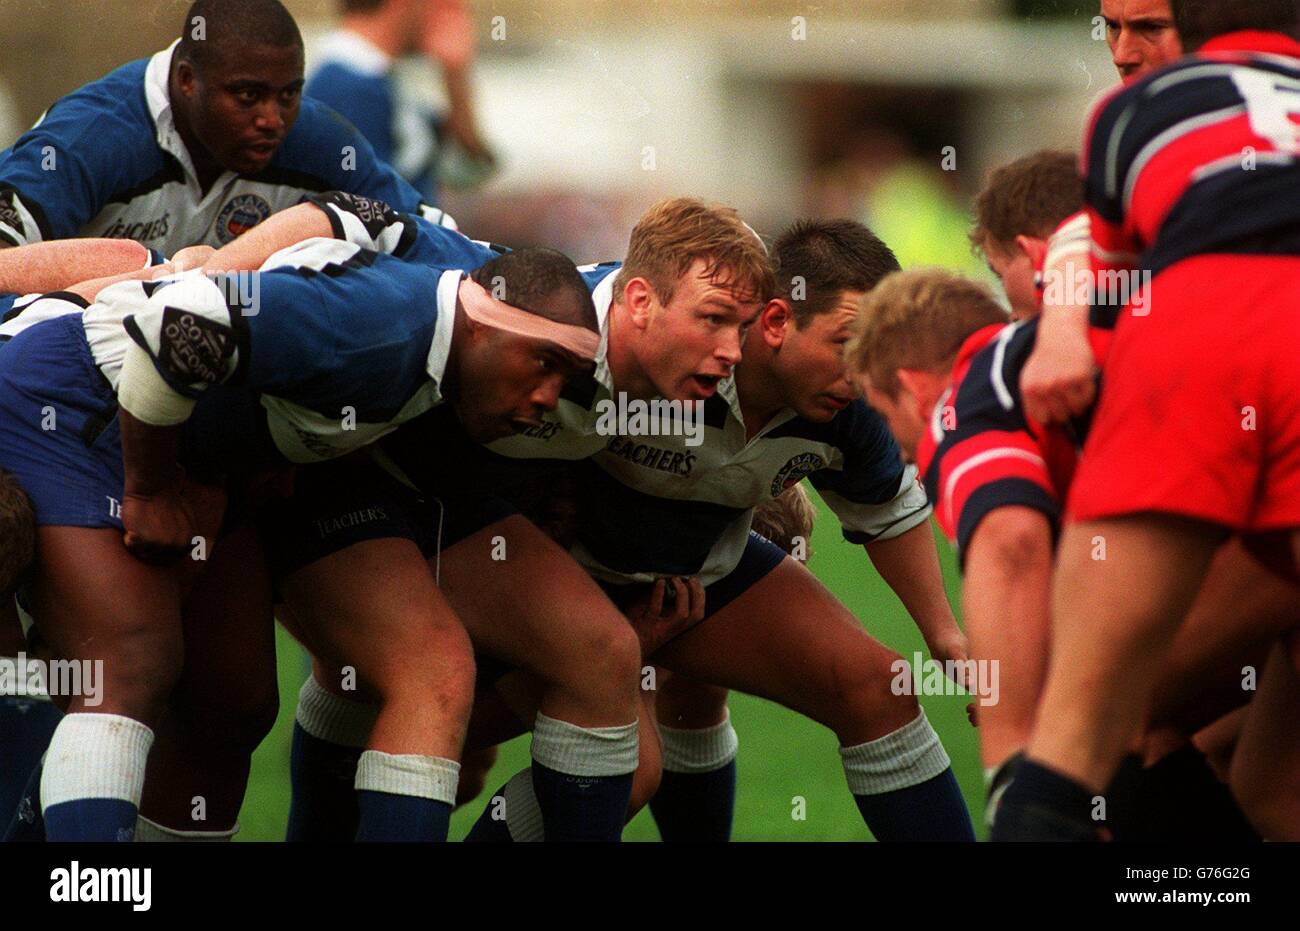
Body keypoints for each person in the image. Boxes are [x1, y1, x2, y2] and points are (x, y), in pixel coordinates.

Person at [0, 191, 597, 841]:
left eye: (566, 379)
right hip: (75, 391)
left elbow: (354, 218)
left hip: (187, 445)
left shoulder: (446, 325)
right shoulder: (381, 325)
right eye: (544, 363)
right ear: (485, 322)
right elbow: (176, 334)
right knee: (130, 660)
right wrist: (147, 490)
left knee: (234, 700)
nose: (548, 397)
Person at [466, 217, 975, 843]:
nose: (863, 373)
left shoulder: (848, 406)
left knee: (877, 687)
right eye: (849, 342)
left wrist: (947, 638)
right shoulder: (652, 344)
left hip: (692, 580)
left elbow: (887, 514)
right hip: (536, 574)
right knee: (480, 748)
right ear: (778, 322)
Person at [993, 0, 1300, 841]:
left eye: (1148, 28)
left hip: (1199, 331)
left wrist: (1060, 334)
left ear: (1191, 31)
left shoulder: (1130, 117)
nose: (1126, 53)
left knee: (1088, 730)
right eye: (1113, 29)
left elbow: (1093, 251)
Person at [0, 0, 452, 255]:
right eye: (248, 96)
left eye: (289, 94)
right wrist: (118, 283)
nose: (272, 120)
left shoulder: (314, 138)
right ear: (187, 82)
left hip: (220, 376)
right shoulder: (90, 139)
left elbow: (435, 238)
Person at [307, 0, 497, 202]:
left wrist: (455, 74)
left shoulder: (388, 77)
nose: (456, 17)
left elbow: (471, 170)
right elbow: (368, 210)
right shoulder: (349, 86)